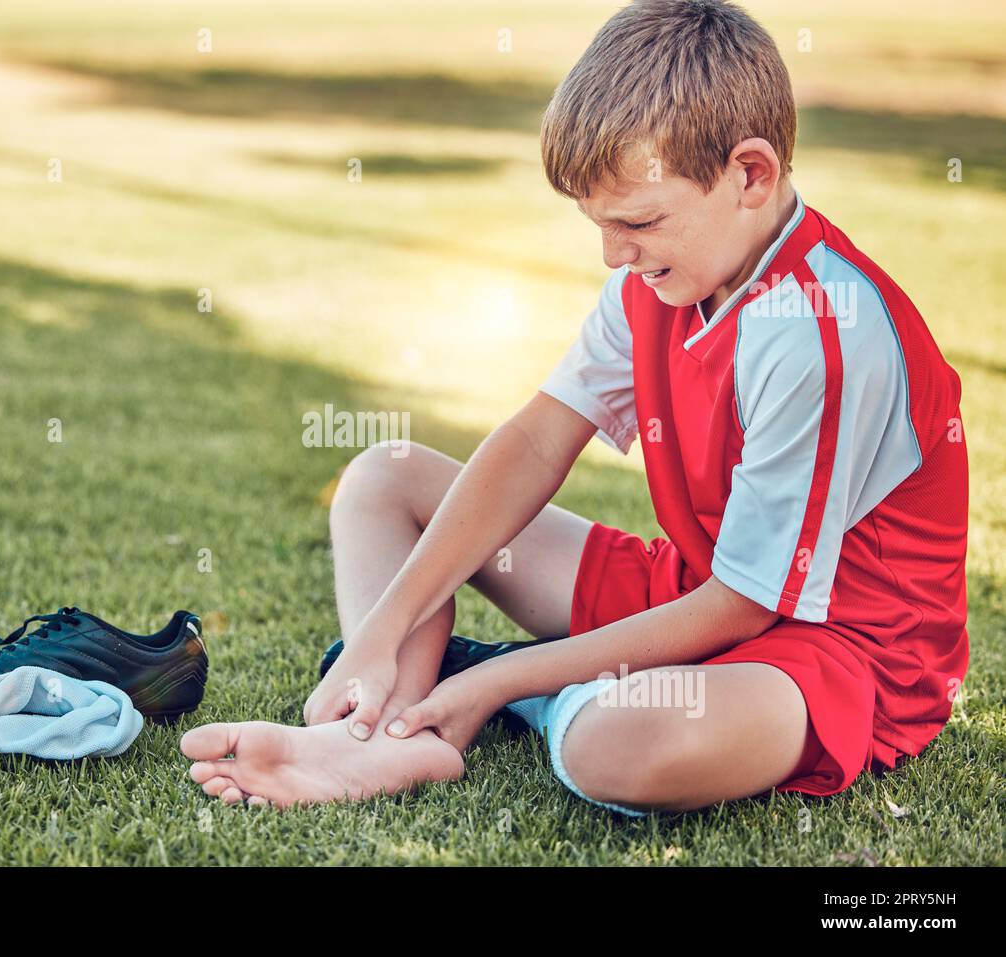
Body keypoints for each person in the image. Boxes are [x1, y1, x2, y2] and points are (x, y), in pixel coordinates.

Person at [181, 0, 969, 814]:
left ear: (751, 174)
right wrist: (385, 627)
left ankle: (491, 689)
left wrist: (500, 675)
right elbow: (534, 442)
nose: (613, 254)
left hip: (836, 652)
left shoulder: (818, 334)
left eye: (638, 221)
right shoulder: (660, 277)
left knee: (620, 747)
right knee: (384, 478)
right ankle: (384, 738)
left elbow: (745, 605)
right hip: (695, 590)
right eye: (599, 225)